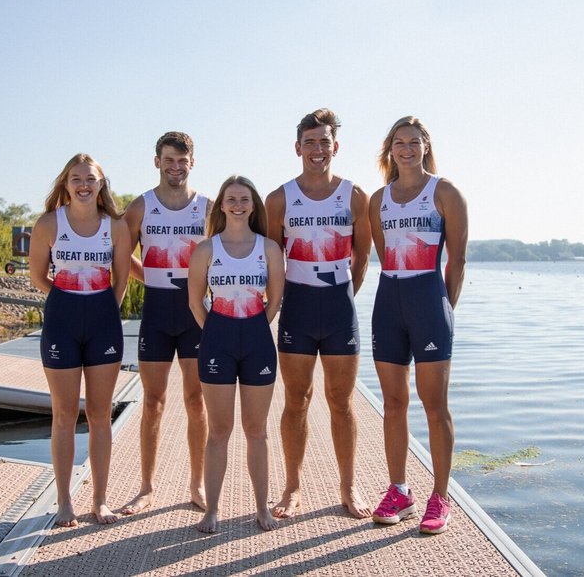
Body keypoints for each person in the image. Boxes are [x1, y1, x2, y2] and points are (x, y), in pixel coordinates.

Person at [264, 108, 372, 519]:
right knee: (296, 401)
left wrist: (345, 294)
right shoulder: (279, 199)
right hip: (298, 308)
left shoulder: (355, 196)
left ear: (335, 147)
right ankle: (292, 487)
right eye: (309, 142)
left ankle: (348, 486)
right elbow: (273, 259)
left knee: (341, 402)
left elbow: (362, 255)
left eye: (324, 141)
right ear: (297, 148)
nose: (317, 149)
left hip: (339, 307)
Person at [368, 116, 467, 535]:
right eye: (399, 142)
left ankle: (440, 496)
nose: (406, 148)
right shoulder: (378, 199)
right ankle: (400, 491)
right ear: (389, 149)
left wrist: (443, 307)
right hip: (389, 300)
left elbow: (457, 260)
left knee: (434, 404)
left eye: (414, 141)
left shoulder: (444, 192)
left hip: (429, 298)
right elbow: (382, 252)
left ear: (426, 145)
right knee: (393, 403)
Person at [29, 153, 132, 526]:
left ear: (101, 184)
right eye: (77, 179)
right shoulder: (47, 224)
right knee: (64, 414)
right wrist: (67, 298)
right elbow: (39, 276)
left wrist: (106, 307)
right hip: (62, 322)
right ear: (66, 184)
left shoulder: (116, 227)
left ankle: (100, 501)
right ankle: (64, 501)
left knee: (101, 414)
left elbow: (120, 278)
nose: (84, 185)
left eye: (91, 179)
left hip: (103, 323)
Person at [187, 176, 285, 533]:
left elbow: (274, 300)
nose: (238, 204)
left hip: (257, 340)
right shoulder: (206, 250)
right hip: (218, 342)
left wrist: (255, 325)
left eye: (244, 198)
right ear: (222, 206)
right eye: (231, 198)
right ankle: (212, 511)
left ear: (253, 204)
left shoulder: (270, 249)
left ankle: (262, 509)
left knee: (256, 431)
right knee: (219, 431)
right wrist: (216, 330)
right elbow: (195, 301)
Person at [120, 132, 210, 515]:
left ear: (192, 162)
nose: (176, 167)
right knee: (153, 402)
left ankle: (197, 484)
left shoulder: (208, 209)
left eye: (182, 161)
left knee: (196, 401)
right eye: (169, 160)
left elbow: (225, 254)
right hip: (156, 313)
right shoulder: (141, 207)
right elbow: (121, 257)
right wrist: (152, 277)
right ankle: (146, 487)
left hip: (196, 314)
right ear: (157, 161)